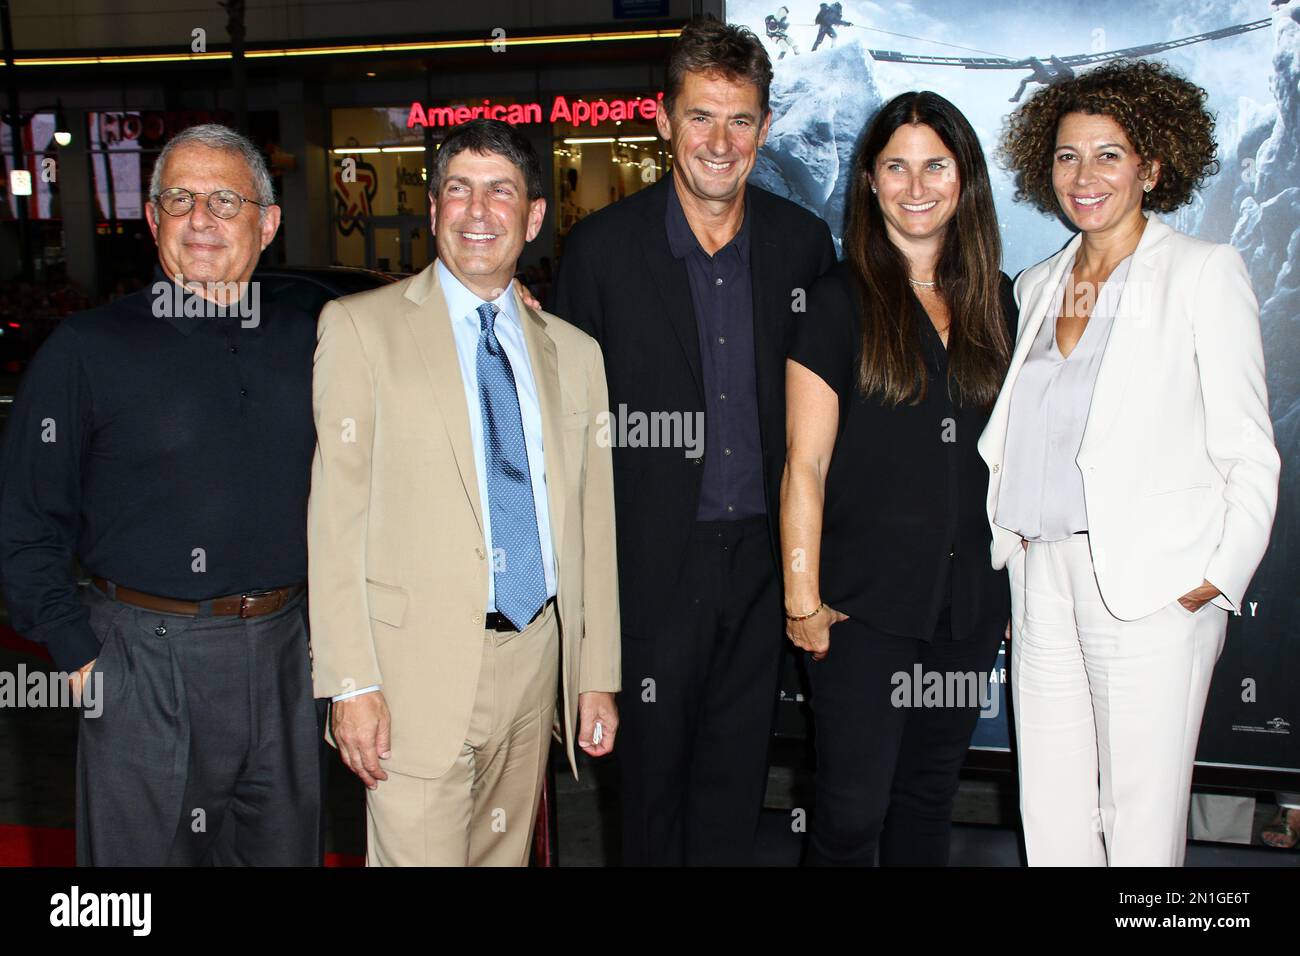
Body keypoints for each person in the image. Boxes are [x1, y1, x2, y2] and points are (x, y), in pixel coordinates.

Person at [553, 16, 836, 866]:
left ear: (765, 127)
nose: (721, 141)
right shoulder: (600, 251)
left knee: (733, 792)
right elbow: (570, 432)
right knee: (644, 802)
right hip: (645, 573)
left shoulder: (800, 245)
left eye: (741, 119)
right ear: (662, 119)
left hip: (760, 569)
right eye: (702, 116)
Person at [0, 124, 322, 865]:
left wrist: (507, 305)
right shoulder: (86, 349)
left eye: (224, 199)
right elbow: (25, 521)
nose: (200, 218)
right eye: (178, 198)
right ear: (152, 220)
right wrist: (83, 657)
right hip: (142, 662)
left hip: (287, 655)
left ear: (267, 223)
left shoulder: (315, 342)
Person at [985, 59, 1280, 866]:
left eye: (1109, 154)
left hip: (1154, 585)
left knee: (1140, 822)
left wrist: (1214, 580)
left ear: (1152, 165)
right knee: (1050, 815)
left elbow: (1249, 448)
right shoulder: (1041, 283)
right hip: (1042, 574)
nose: (1085, 175)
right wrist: (1018, 553)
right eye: (1068, 155)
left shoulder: (1200, 273)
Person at [308, 118, 621, 867]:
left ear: (534, 216)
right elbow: (335, 519)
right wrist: (351, 682)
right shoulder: (360, 328)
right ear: (433, 208)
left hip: (534, 661)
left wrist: (597, 676)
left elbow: (593, 523)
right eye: (459, 189)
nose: (478, 211)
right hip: (410, 677)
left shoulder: (574, 354)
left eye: (500, 191)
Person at [782, 91, 1014, 866]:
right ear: (870, 181)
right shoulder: (834, 303)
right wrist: (802, 595)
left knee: (927, 801)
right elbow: (804, 465)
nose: (917, 187)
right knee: (849, 816)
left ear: (964, 179)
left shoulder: (1001, 306)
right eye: (896, 167)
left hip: (968, 608)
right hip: (860, 612)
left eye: (936, 166)